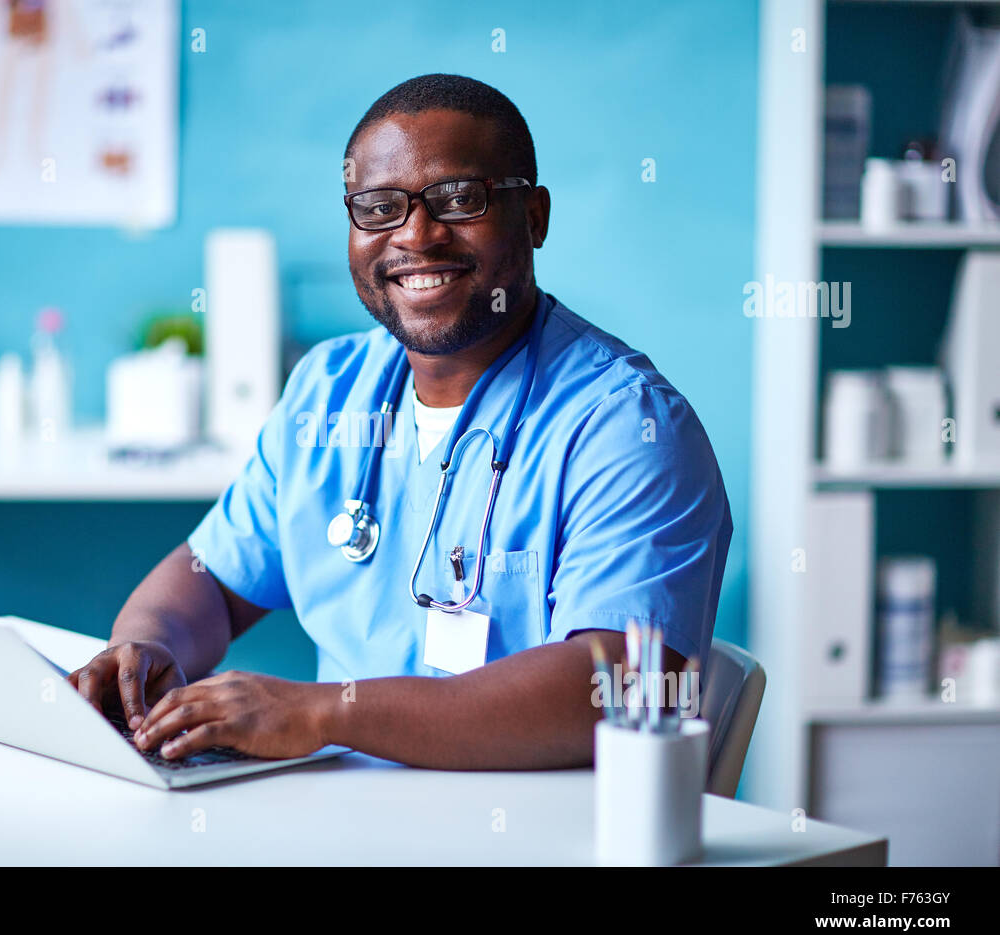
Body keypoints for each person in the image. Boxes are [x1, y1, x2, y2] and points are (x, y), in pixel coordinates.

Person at [68, 74, 732, 770]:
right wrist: (146, 649)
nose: (415, 233)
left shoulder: (627, 427)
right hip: (339, 817)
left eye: (459, 199)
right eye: (378, 208)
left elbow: (618, 685)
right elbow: (210, 577)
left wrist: (324, 713)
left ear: (533, 216)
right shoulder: (329, 392)